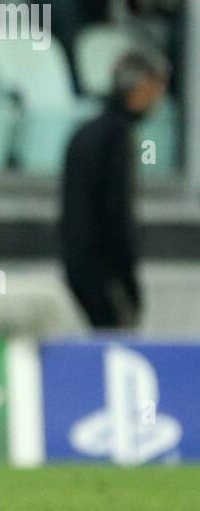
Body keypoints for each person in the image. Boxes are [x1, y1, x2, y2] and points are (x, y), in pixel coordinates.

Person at [60, 49, 170, 330]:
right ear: (143, 88)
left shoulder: (86, 132)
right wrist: (128, 282)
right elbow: (116, 214)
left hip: (78, 267)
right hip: (104, 272)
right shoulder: (117, 138)